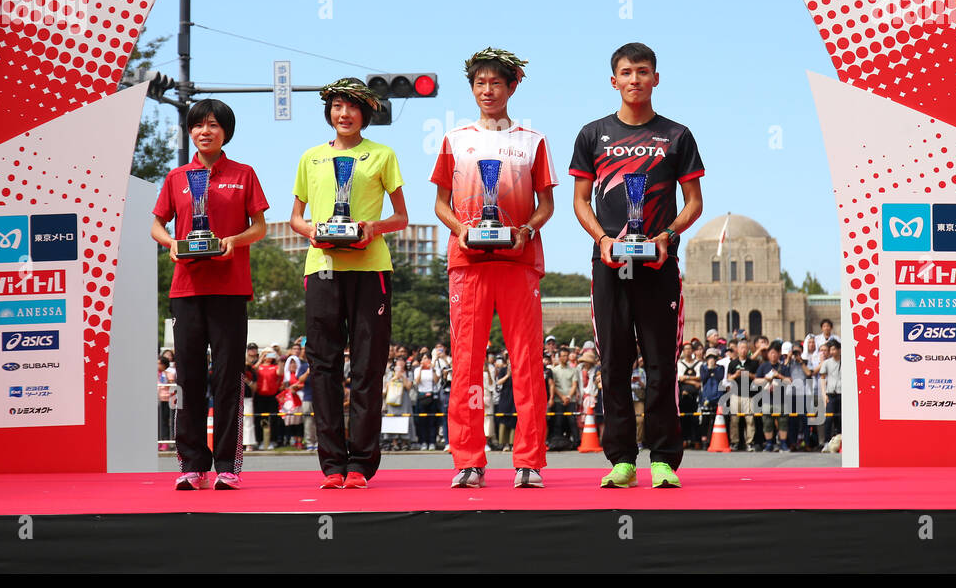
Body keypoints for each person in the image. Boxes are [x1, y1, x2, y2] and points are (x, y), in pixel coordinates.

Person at [570, 42, 704, 488]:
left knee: (662, 363)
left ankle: (664, 459)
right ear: (614, 81)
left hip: (658, 266)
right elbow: (579, 201)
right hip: (609, 265)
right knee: (614, 362)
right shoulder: (592, 135)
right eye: (626, 73)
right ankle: (622, 459)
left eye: (642, 72)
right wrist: (603, 239)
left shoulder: (677, 136)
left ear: (656, 79)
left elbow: (695, 203)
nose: (634, 80)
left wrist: (667, 236)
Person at [432, 47, 556, 490]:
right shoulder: (454, 139)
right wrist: (460, 230)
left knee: (525, 362)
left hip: (519, 261)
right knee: (466, 364)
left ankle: (529, 461)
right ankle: (468, 460)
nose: (488, 91)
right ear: (472, 89)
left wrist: (526, 228)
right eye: (480, 83)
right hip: (468, 263)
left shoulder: (532, 140)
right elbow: (441, 204)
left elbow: (547, 205)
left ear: (512, 87)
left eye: (496, 83)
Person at [289, 78, 408, 489]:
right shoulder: (311, 158)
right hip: (321, 268)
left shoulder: (382, 155)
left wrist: (373, 227)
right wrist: (313, 232)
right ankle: (331, 464)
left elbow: (401, 217)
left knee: (367, 366)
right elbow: (296, 217)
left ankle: (360, 463)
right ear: (329, 112)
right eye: (338, 106)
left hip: (370, 269)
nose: (344, 114)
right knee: (323, 366)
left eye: (352, 108)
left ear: (365, 114)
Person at [152, 99, 268, 490]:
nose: (206, 131)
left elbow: (260, 227)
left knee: (227, 378)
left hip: (230, 289)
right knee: (187, 376)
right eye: (199, 125)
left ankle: (227, 466)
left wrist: (234, 240)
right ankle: (190, 463)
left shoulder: (244, 174)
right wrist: (169, 241)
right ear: (190, 131)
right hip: (185, 289)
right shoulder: (176, 177)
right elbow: (157, 224)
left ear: (226, 132)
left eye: (214, 125)